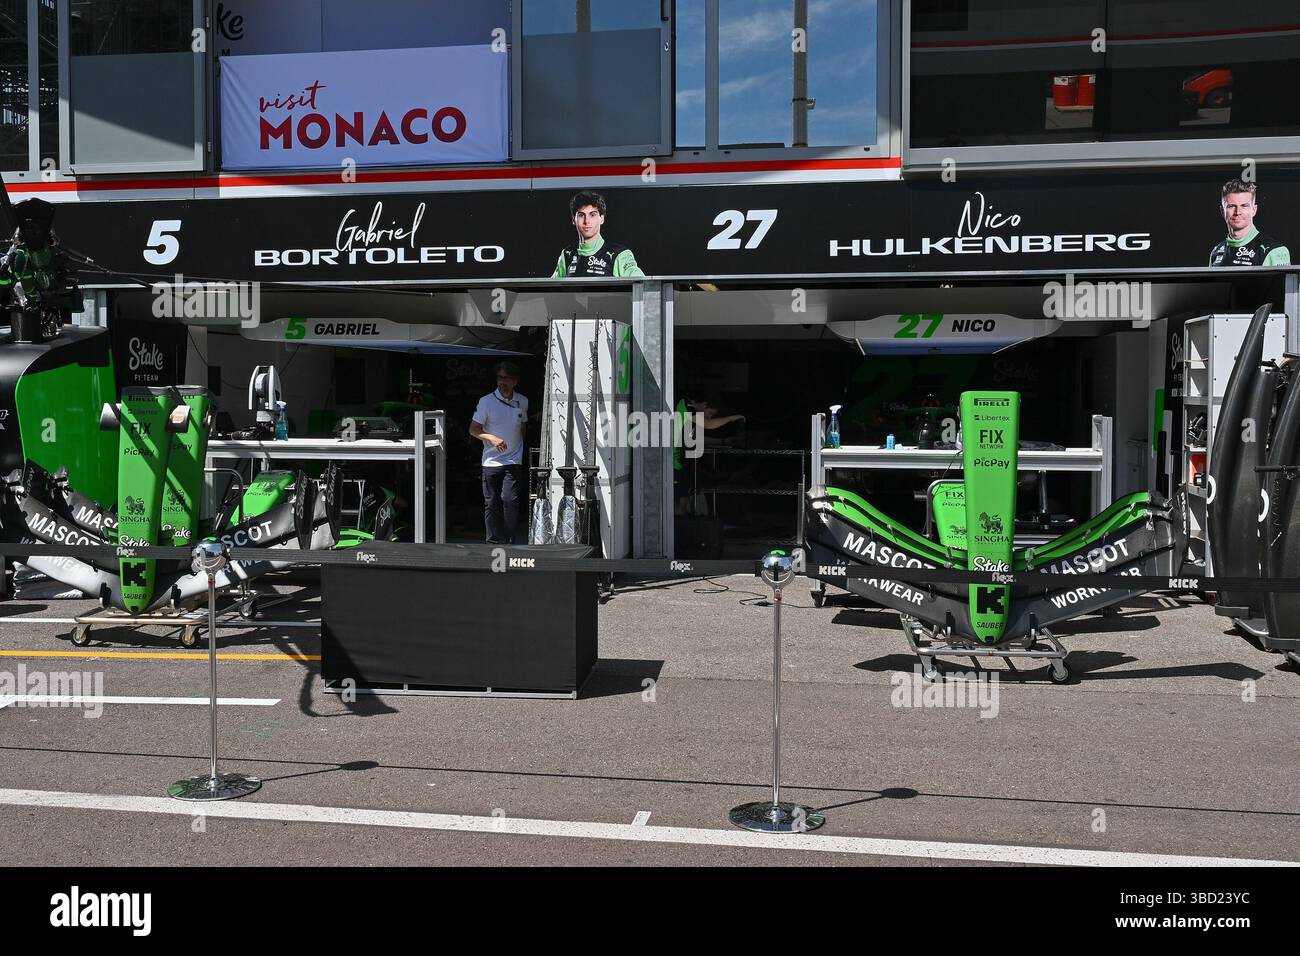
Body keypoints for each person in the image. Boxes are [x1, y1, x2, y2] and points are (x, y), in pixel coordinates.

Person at [470, 361, 529, 544]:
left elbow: (523, 426)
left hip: (513, 459)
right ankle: (493, 541)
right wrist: (493, 439)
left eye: (507, 378)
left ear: (515, 381)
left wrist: (519, 446)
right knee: (492, 501)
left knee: (510, 499)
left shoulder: (523, 401)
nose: (502, 382)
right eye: (500, 378)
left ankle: (509, 538)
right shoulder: (486, 401)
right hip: (491, 461)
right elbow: (474, 429)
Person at [552, 190, 644, 278]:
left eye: (592, 215)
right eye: (581, 215)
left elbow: (643, 287)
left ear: (601, 219)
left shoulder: (619, 255)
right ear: (573, 220)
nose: (586, 221)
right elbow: (550, 291)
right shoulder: (567, 255)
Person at [1209, 179, 1291, 267]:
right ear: (1222, 211)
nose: (1238, 212)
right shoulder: (1216, 252)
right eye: (1231, 206)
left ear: (1254, 210)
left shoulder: (1274, 251)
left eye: (1244, 206)